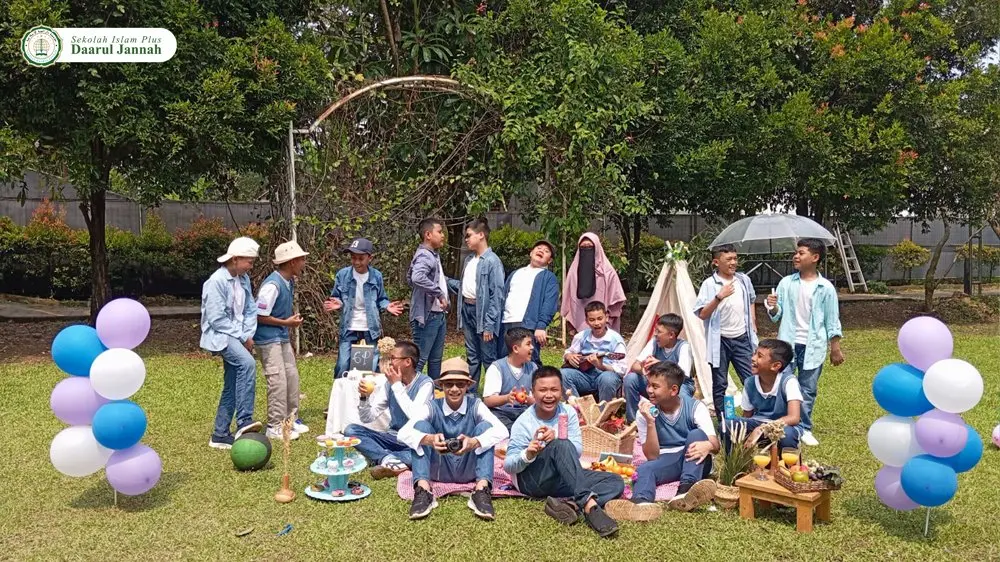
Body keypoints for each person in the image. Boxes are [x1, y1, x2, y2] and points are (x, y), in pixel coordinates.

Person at [504, 366, 624, 538]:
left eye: (554, 389)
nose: (549, 395)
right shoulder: (523, 423)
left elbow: (576, 450)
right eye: (542, 390)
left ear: (561, 391)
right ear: (533, 392)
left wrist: (558, 439)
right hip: (532, 481)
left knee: (615, 481)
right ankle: (590, 507)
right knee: (560, 444)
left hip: (562, 476)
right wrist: (528, 454)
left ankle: (571, 506)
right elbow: (509, 466)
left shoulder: (567, 412)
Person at [605, 363, 718, 522]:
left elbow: (715, 444)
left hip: (695, 461)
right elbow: (652, 456)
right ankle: (640, 504)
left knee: (697, 434)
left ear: (673, 390)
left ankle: (685, 491)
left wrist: (708, 445)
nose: (649, 390)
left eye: (655, 386)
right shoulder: (644, 413)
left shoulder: (695, 407)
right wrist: (650, 422)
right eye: (648, 385)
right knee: (644, 468)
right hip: (667, 462)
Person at [398, 358, 509, 521]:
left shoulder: (475, 404)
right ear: (441, 386)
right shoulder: (432, 406)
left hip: (468, 467)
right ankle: (423, 490)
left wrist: (474, 442)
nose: (455, 389)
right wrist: (429, 439)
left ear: (467, 386)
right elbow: (403, 433)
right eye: (449, 384)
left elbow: (502, 430)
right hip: (438, 468)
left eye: (460, 384)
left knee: (486, 428)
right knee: (420, 427)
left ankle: (481, 489)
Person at [765, 238, 843, 447]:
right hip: (787, 345)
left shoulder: (825, 288)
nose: (796, 256)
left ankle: (804, 428)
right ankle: (781, 425)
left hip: (814, 345)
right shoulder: (786, 283)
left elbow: (831, 319)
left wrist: (834, 348)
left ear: (815, 257)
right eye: (796, 252)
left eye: (801, 253)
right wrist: (772, 306)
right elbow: (776, 315)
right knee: (783, 386)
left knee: (808, 389)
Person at [201, 236, 264, 449]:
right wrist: (241, 336)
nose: (251, 266)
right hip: (221, 334)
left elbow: (250, 309)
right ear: (235, 259)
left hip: (238, 334)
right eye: (249, 261)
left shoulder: (243, 279)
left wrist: (247, 333)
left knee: (232, 382)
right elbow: (216, 319)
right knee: (247, 364)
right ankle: (245, 421)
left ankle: (219, 434)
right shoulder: (216, 281)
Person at [344, 340, 434, 478]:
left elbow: (415, 416)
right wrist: (364, 398)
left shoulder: (425, 384)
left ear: (407, 362)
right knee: (351, 430)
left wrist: (397, 385)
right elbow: (367, 417)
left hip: (414, 441)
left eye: (393, 358)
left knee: (421, 455)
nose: (390, 363)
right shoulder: (389, 384)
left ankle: (379, 456)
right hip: (392, 437)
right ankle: (389, 459)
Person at [694, 244, 758, 423]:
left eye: (735, 259)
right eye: (728, 259)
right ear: (716, 262)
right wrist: (719, 296)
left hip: (742, 338)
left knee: (751, 380)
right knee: (720, 383)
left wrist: (752, 321)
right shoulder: (709, 284)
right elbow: (702, 314)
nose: (733, 263)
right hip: (719, 341)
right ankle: (724, 423)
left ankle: (755, 419)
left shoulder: (743, 280)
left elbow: (751, 299)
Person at [324, 237, 405, 378]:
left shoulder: (376, 276)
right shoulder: (342, 275)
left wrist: (387, 306)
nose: (356, 262)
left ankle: (367, 396)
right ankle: (342, 394)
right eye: (353, 258)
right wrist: (338, 303)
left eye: (360, 258)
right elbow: (336, 296)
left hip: (370, 327)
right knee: (343, 364)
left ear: (370, 258)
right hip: (349, 326)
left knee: (370, 366)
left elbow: (381, 299)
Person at [253, 240, 309, 440]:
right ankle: (274, 425)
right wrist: (286, 323)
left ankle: (290, 420)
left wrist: (286, 324)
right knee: (277, 380)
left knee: (291, 377)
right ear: (292, 262)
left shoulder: (289, 281)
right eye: (302, 259)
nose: (304, 262)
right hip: (268, 340)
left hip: (281, 337)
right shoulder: (272, 285)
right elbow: (259, 315)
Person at [450, 218, 505, 389]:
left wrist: (489, 324)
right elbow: (464, 286)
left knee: (488, 357)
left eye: (469, 235)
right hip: (467, 309)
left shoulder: (492, 261)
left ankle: (493, 392)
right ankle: (471, 392)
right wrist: (443, 280)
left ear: (481, 235)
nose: (466, 239)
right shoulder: (469, 260)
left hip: (482, 313)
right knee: (472, 355)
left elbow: (496, 295)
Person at [623, 313, 694, 423]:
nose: (655, 334)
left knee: (682, 394)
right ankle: (633, 422)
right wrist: (643, 370)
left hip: (679, 385)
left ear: (671, 335)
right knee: (631, 378)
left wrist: (660, 364)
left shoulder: (683, 347)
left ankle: (680, 423)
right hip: (655, 384)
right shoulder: (654, 342)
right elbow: (635, 365)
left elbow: (682, 374)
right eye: (655, 330)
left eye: (659, 332)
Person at [499, 240, 560, 366]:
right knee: (505, 360)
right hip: (507, 322)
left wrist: (541, 325)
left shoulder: (548, 277)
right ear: (531, 253)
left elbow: (549, 303)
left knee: (529, 361)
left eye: (546, 251)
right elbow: (503, 295)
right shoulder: (516, 273)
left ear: (549, 260)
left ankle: (534, 385)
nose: (541, 250)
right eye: (538, 248)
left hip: (529, 325)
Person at [407, 218, 452, 380]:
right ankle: (412, 392)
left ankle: (433, 393)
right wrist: (439, 293)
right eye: (439, 232)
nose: (442, 236)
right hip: (427, 318)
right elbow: (417, 277)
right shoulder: (425, 256)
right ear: (428, 234)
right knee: (419, 360)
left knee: (435, 360)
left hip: (438, 315)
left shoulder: (433, 255)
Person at [739, 339, 803, 450]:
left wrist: (764, 428)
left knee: (787, 434)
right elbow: (746, 416)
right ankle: (739, 465)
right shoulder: (749, 383)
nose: (753, 358)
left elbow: (794, 417)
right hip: (758, 422)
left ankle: (785, 466)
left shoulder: (788, 382)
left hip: (784, 425)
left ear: (775, 366)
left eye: (759, 356)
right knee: (730, 425)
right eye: (754, 353)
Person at [560, 301, 627, 403]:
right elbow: (569, 352)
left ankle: (603, 413)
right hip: (585, 376)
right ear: (586, 321)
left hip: (606, 376)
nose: (597, 323)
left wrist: (601, 366)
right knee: (563, 374)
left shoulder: (616, 340)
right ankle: (578, 409)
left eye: (600, 318)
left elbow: (622, 370)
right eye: (592, 320)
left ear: (607, 317)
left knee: (607, 379)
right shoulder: (581, 336)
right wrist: (569, 356)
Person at [561, 233, 626, 334]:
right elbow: (568, 298)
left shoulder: (607, 272)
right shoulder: (574, 272)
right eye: (583, 247)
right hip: (580, 322)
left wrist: (608, 319)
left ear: (597, 248)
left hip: (604, 325)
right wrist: (571, 324)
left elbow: (617, 299)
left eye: (590, 247)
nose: (586, 249)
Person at [482, 327, 538, 431]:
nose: (532, 347)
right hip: (501, 413)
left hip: (524, 412)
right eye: (528, 344)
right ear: (516, 348)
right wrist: (507, 398)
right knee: (502, 427)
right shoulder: (497, 368)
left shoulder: (533, 368)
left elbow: (537, 400)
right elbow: (488, 400)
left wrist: (528, 400)